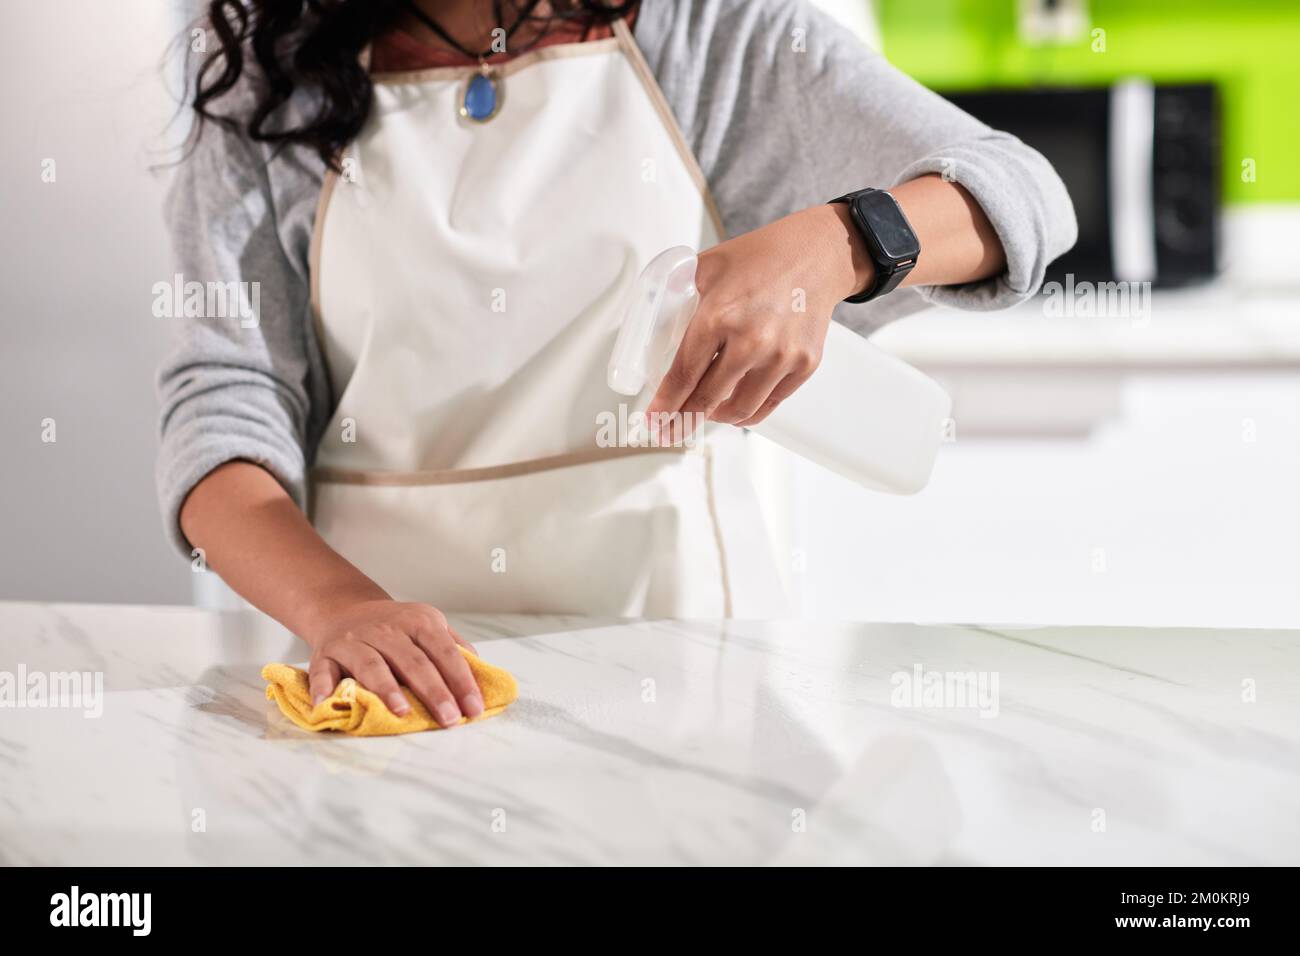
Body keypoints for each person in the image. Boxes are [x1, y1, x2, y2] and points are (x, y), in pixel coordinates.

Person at [158, 0, 1076, 728]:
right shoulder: (262, 94)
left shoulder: (717, 39)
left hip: (687, 682)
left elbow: (1024, 196)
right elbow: (223, 407)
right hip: (388, 691)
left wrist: (836, 245)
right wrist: (341, 611)